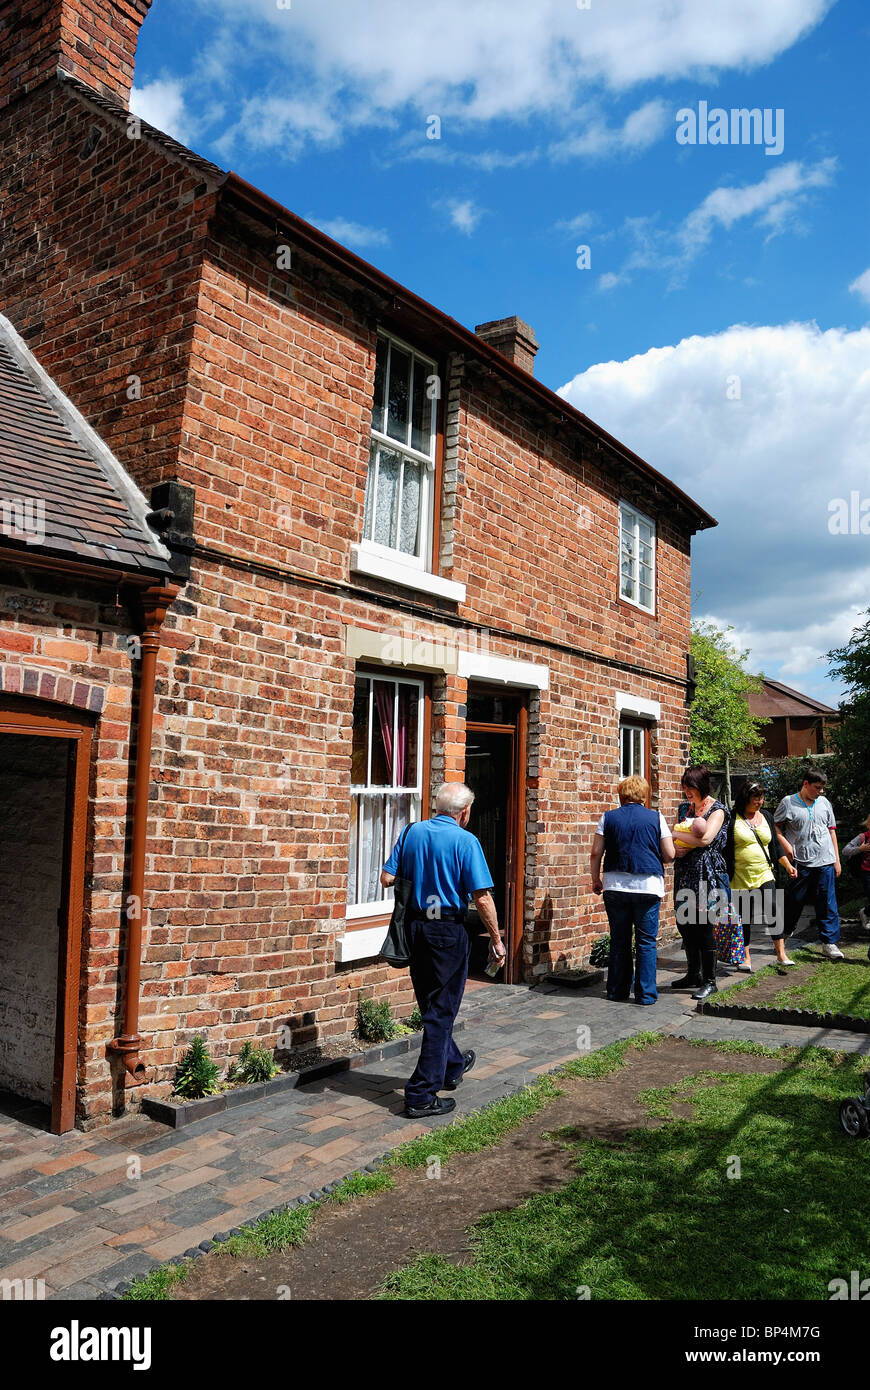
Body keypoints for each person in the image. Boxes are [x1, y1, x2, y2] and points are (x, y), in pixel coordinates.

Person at [381, 783, 505, 1118]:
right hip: (447, 931)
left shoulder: (411, 833)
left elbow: (386, 878)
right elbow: (482, 897)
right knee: (441, 1013)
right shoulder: (467, 841)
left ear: (437, 806)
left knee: (432, 1007)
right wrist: (495, 938)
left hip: (416, 929)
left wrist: (421, 875)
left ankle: (451, 1065)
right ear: (464, 812)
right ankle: (420, 1095)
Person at [590, 775, 675, 1004]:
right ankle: (646, 994)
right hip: (647, 885)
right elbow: (669, 854)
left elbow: (596, 852)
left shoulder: (607, 818)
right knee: (646, 941)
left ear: (622, 794)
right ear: (643, 796)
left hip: (615, 885)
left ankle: (617, 991)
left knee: (620, 939)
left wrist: (595, 878)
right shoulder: (656, 818)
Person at [670, 765, 731, 1000]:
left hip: (708, 873)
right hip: (686, 870)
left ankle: (710, 980)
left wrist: (674, 834)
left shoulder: (718, 810)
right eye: (685, 788)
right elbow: (686, 840)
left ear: (702, 786)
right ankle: (692, 973)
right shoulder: (685, 808)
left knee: (704, 926)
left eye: (691, 788)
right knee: (685, 924)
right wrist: (678, 845)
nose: (687, 792)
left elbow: (705, 839)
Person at [725, 779, 798, 969]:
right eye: (756, 798)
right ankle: (746, 957)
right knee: (745, 916)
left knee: (773, 908)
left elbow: (774, 845)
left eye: (762, 798)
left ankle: (781, 954)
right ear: (745, 798)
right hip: (740, 875)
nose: (760, 802)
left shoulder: (766, 816)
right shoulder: (732, 818)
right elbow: (725, 848)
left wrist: (787, 865)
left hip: (765, 872)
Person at [774, 769, 844, 960]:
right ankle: (784, 936)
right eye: (817, 788)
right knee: (794, 902)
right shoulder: (788, 802)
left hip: (825, 861)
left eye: (822, 788)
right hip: (801, 862)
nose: (820, 792)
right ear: (806, 784)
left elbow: (831, 831)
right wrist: (786, 845)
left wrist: (836, 860)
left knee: (827, 903)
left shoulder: (824, 803)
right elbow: (776, 826)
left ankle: (829, 943)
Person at [841, 812, 870, 931]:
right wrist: (860, 849)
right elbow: (845, 850)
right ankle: (865, 913)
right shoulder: (864, 837)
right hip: (867, 873)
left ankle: (866, 911)